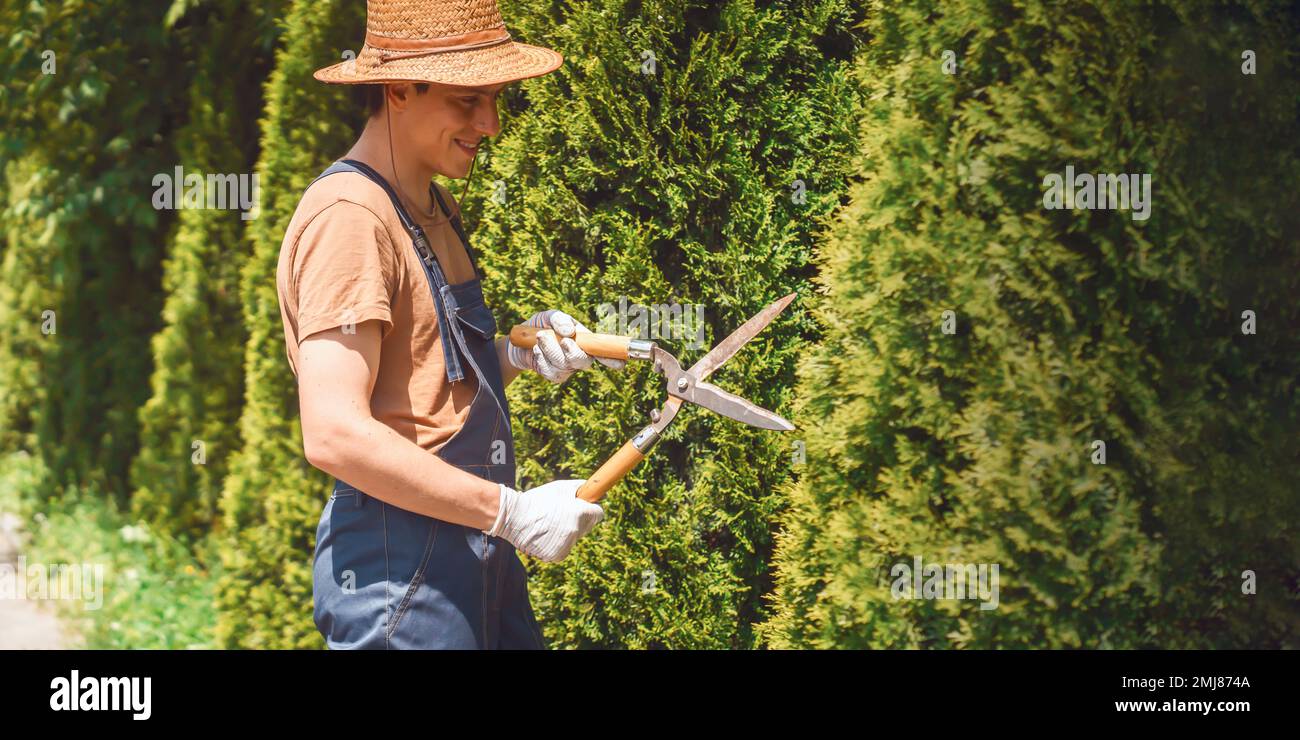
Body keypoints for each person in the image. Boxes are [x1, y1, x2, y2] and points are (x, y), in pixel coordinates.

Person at [274, 0, 620, 649]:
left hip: (470, 552)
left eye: (494, 99)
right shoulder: (350, 218)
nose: (488, 123)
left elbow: (428, 388)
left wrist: (514, 357)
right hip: (397, 576)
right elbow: (334, 434)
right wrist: (510, 513)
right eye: (468, 101)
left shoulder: (430, 205)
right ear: (400, 88)